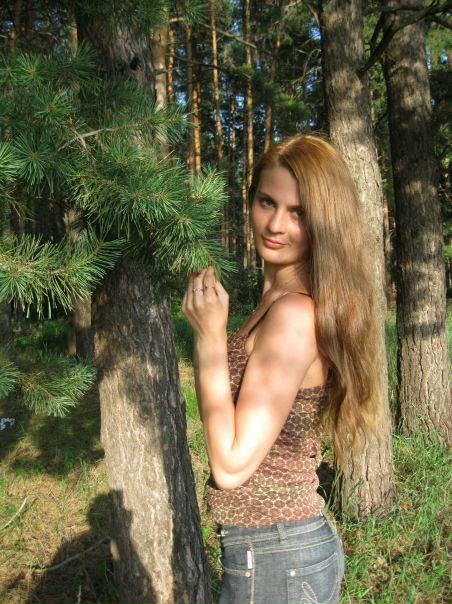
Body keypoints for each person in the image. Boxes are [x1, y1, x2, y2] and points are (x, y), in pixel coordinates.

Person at [182, 134, 381, 604]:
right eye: (267, 202)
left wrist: (209, 339)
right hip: (278, 552)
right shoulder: (277, 301)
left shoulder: (294, 313)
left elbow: (231, 467)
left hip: (278, 554)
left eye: (299, 213)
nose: (275, 225)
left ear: (324, 223)